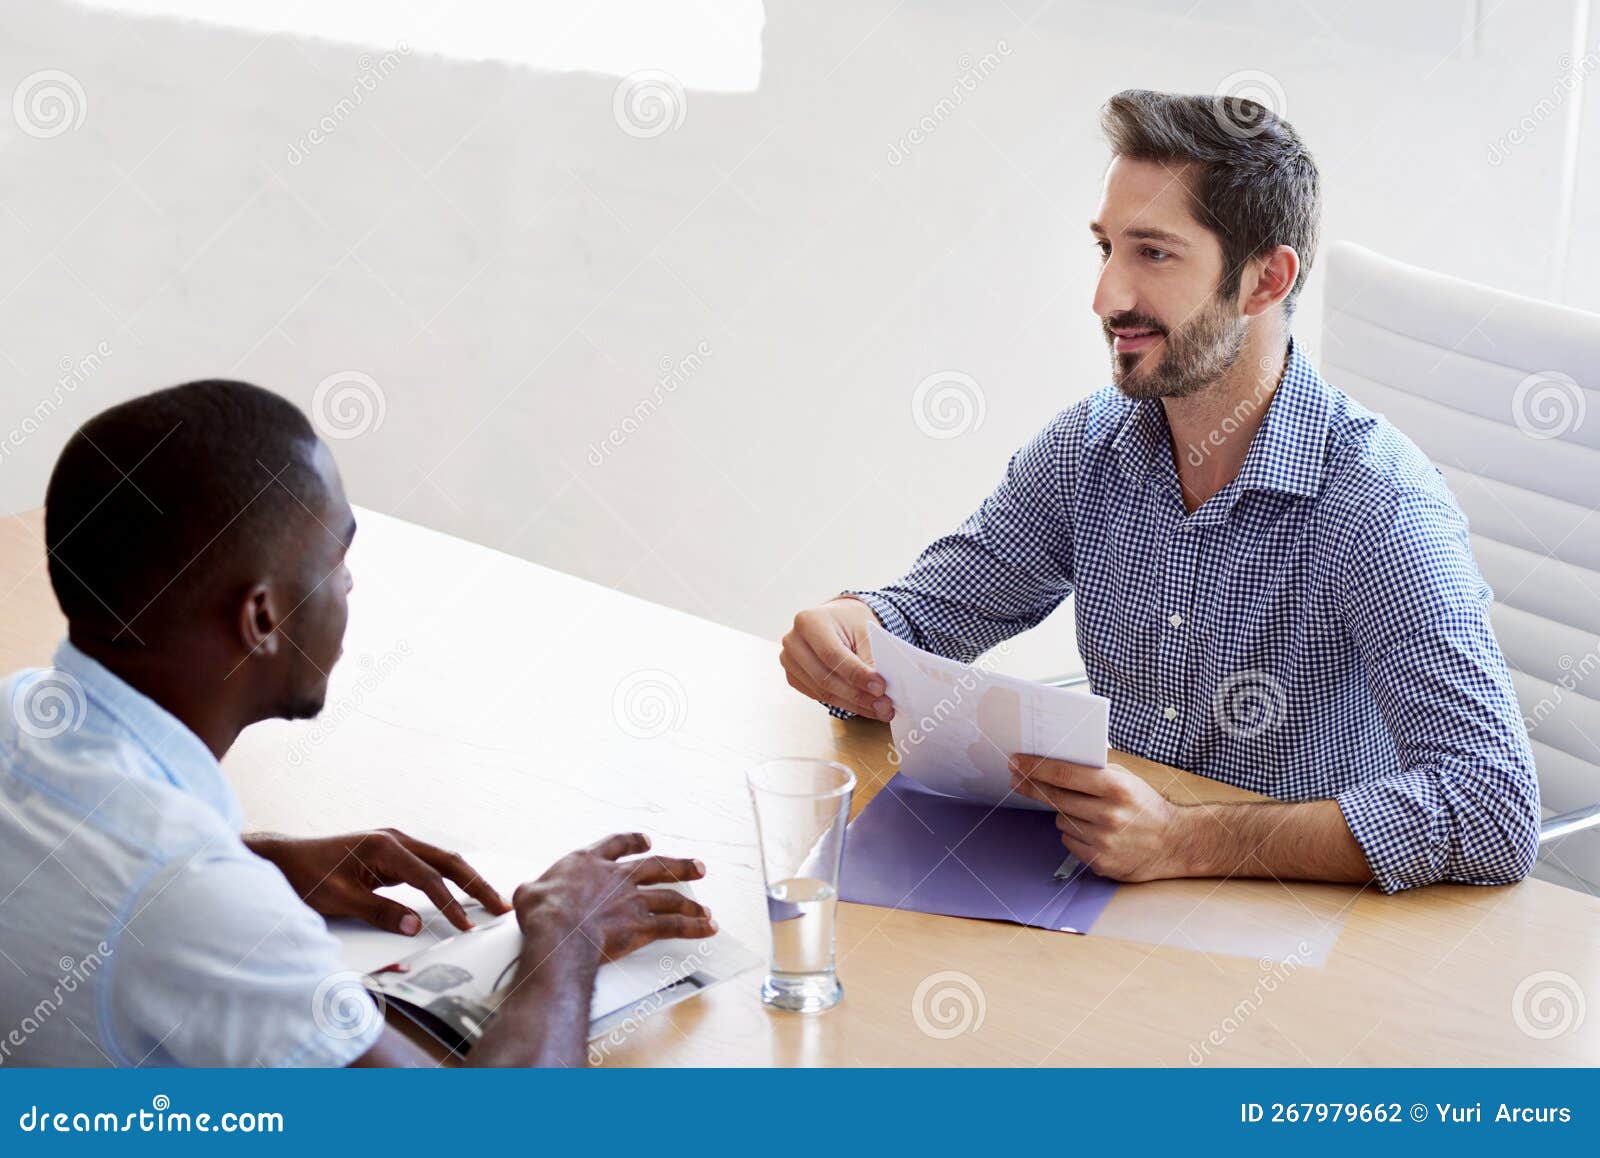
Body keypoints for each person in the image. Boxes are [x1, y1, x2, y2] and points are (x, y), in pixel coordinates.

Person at [779, 89, 1540, 895]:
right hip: (1107, 891)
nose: (1106, 297)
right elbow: (929, 616)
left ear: (1264, 281)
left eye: (1154, 254)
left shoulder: (1377, 503)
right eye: (1106, 248)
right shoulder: (1090, 447)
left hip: (1294, 922)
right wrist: (853, 634)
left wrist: (1185, 840)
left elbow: (1492, 807)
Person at [0, 379, 715, 1067]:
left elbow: (91, 867)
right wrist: (566, 939)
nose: (349, 584)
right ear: (262, 617)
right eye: (336, 559)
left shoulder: (20, 711)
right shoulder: (199, 907)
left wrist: (260, 860)